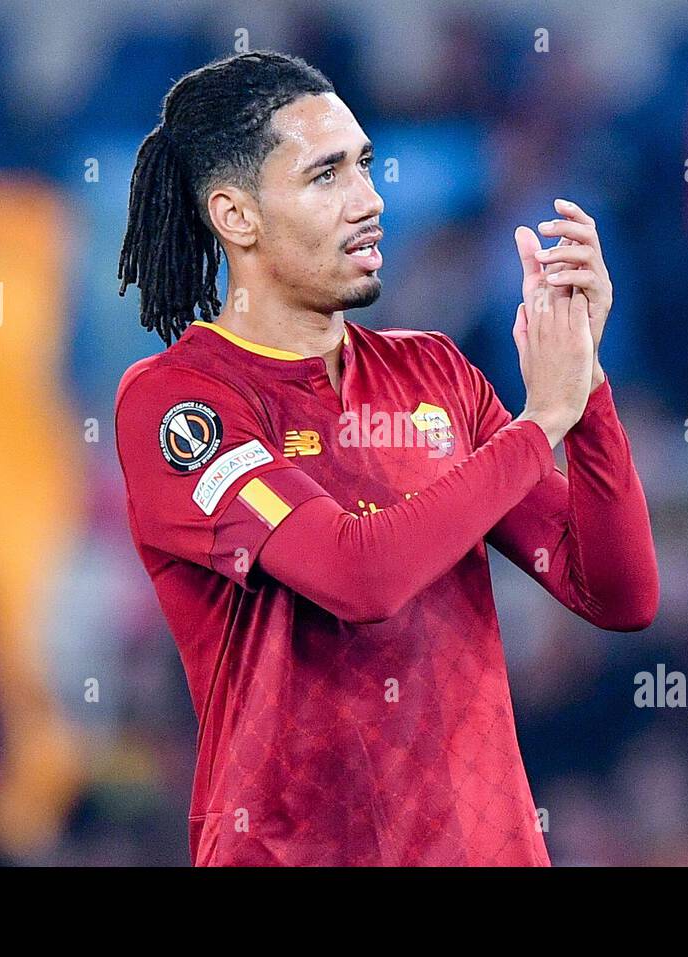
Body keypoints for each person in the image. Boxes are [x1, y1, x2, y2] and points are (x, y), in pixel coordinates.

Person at [114, 50, 657, 865]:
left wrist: (587, 388)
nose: (369, 201)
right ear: (237, 216)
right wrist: (541, 418)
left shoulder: (435, 372)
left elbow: (618, 592)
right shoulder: (180, 405)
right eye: (325, 176)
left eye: (365, 165)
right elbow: (357, 576)